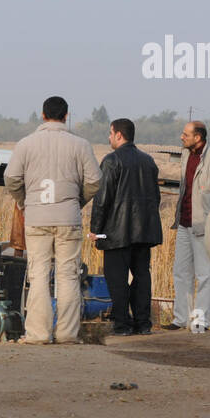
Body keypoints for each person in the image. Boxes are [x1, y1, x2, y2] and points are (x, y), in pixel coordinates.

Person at [4, 96, 101, 344]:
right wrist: (77, 201)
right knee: (68, 275)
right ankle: (67, 333)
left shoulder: (26, 144)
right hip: (68, 217)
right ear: (66, 116)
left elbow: (12, 177)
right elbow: (94, 181)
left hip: (36, 217)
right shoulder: (80, 145)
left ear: (43, 115)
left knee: (38, 275)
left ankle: (38, 334)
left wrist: (25, 201)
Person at [89, 118, 162, 336]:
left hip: (116, 232)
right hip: (144, 231)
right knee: (142, 276)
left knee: (116, 278)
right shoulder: (148, 161)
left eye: (110, 133)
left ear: (119, 135)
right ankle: (143, 323)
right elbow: (155, 198)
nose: (109, 137)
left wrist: (96, 230)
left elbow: (102, 199)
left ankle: (122, 324)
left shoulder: (112, 161)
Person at [164, 120, 210, 331]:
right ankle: (181, 319)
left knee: (205, 275)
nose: (181, 137)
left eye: (186, 134)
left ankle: (200, 322)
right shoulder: (186, 155)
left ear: (198, 137)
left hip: (204, 227)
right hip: (184, 223)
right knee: (181, 272)